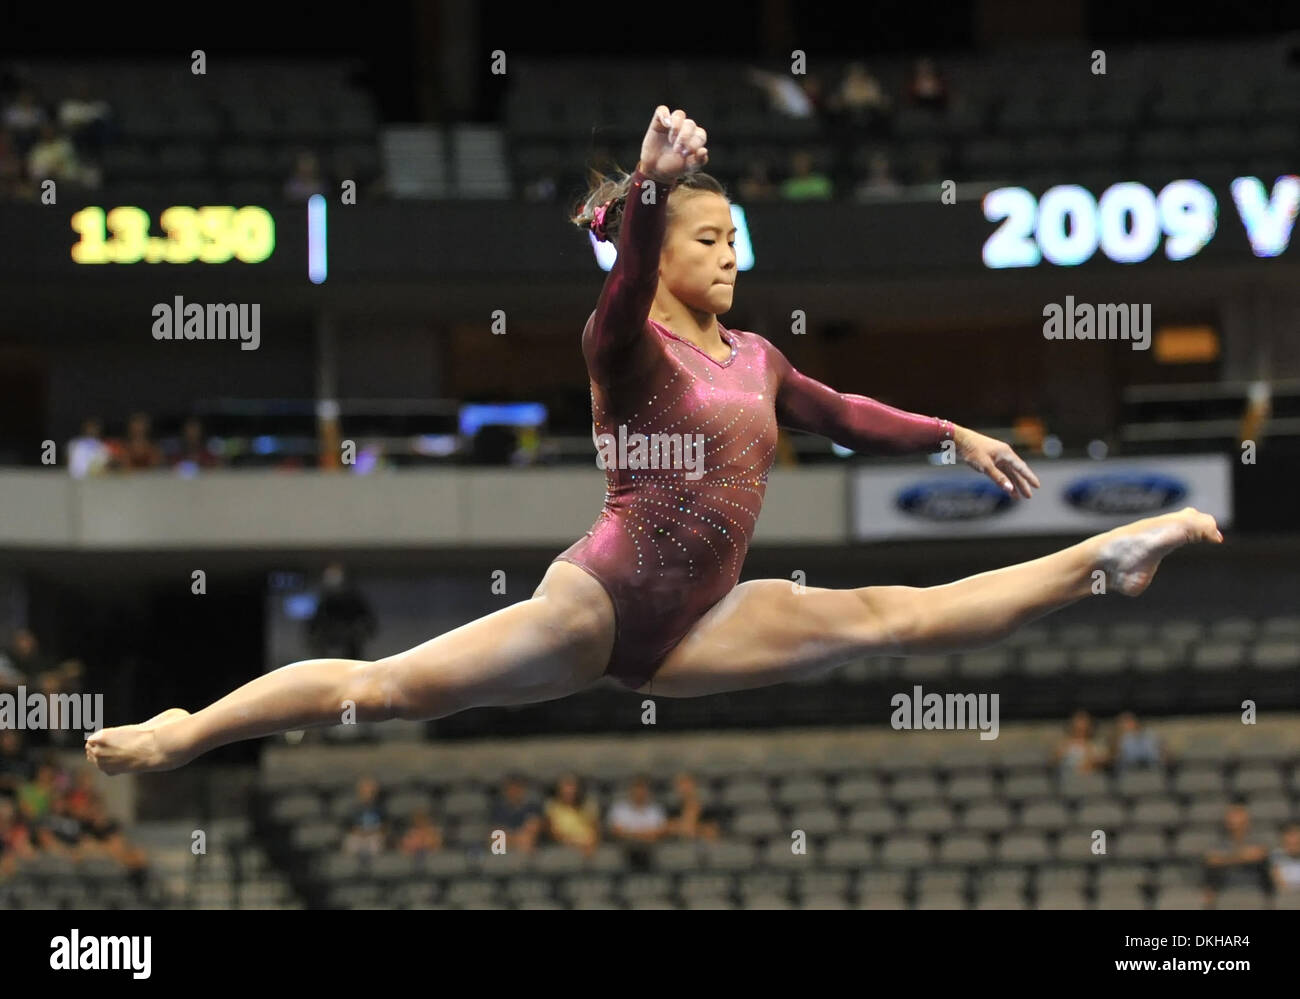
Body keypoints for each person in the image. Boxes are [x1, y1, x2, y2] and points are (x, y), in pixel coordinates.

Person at [85, 106, 1223, 776]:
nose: (732, 256)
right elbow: (626, 279)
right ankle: (188, 731)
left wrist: (952, 434)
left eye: (737, 239)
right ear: (663, 248)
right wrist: (646, 189)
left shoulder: (756, 358)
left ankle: (1102, 559)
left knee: (897, 620)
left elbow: (839, 414)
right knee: (384, 693)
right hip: (598, 605)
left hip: (702, 620)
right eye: (710, 237)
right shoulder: (623, 342)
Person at [1204, 803, 1270, 895]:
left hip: (1254, 888)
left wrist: (1225, 859)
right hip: (1225, 889)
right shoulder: (1219, 842)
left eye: (1239, 817)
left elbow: (1258, 855)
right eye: (1232, 817)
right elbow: (1212, 860)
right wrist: (1242, 856)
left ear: (1247, 821)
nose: (1235, 821)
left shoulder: (1257, 839)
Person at [544, 774, 600, 857]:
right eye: (565, 787)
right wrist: (572, 842)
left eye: (572, 787)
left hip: (587, 843)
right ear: (559, 790)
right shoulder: (552, 806)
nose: (569, 791)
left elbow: (596, 829)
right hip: (563, 844)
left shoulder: (588, 805)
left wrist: (591, 842)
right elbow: (551, 831)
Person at [1054, 709, 1109, 775]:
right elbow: (1054, 760)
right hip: (1067, 778)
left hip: (1090, 778)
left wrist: (1091, 761)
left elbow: (1104, 760)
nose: (1080, 726)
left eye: (1084, 722)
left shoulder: (1097, 744)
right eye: (1078, 721)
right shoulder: (1063, 744)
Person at [1271, 823, 1300, 895]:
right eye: (1290, 835)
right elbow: (1279, 883)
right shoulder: (1276, 855)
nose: (1293, 840)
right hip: (1285, 898)